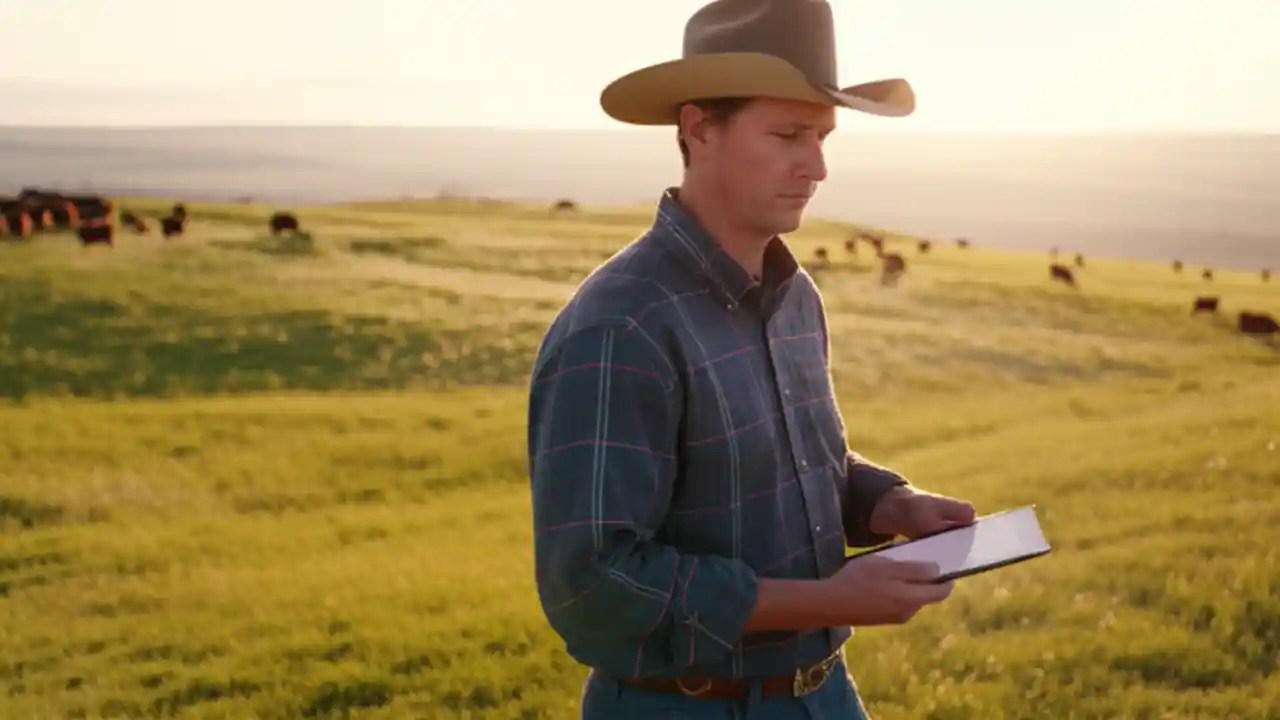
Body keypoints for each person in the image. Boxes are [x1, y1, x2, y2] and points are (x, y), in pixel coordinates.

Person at [526, 1, 977, 717]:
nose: (819, 165)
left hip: (823, 695)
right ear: (699, 127)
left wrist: (890, 505)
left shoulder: (796, 299)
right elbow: (594, 585)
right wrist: (828, 600)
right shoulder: (621, 327)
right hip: (683, 704)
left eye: (825, 136)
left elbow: (791, 465)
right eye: (790, 134)